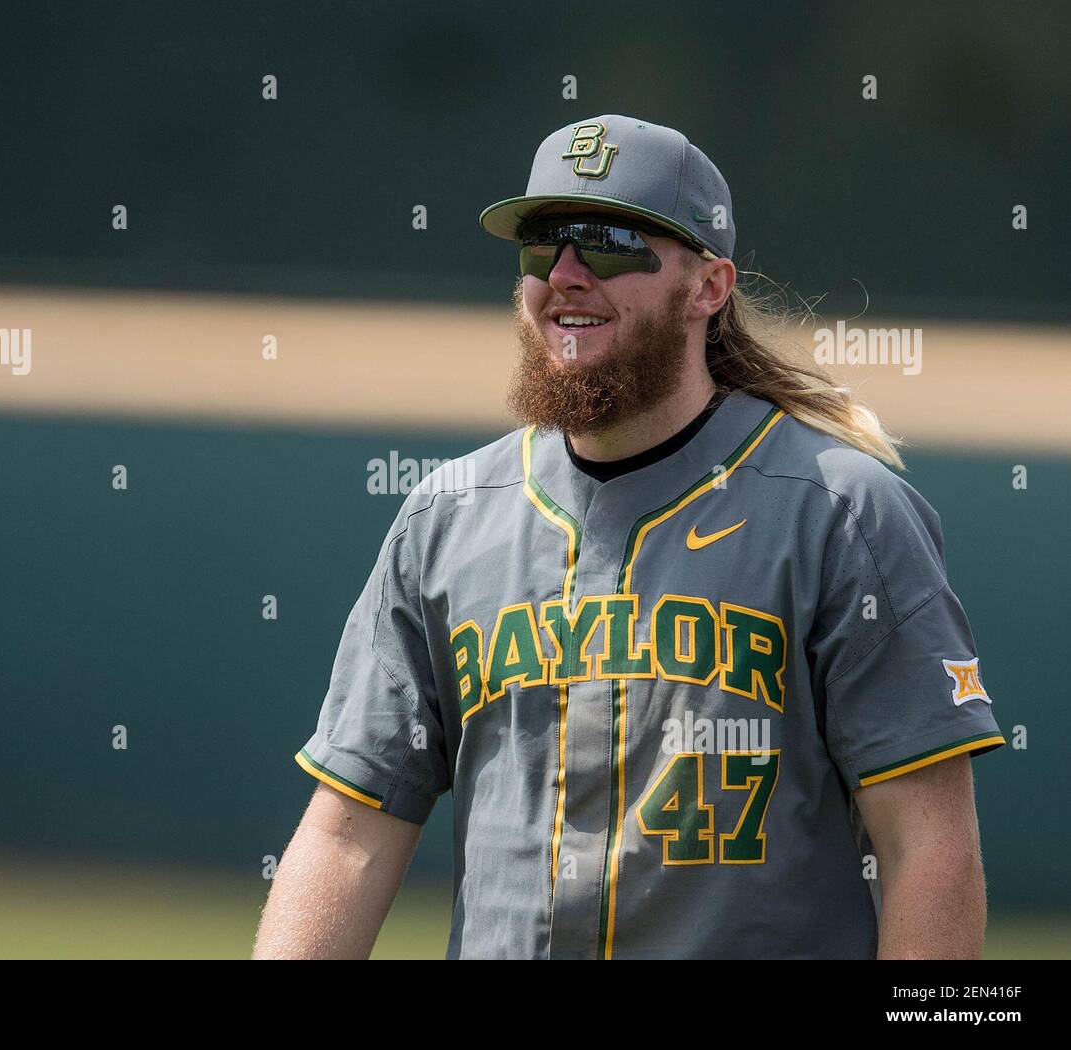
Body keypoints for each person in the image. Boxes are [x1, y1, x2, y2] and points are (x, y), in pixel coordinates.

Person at [253, 115, 1005, 959]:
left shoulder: (841, 513)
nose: (565, 275)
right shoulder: (447, 517)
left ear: (708, 286)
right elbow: (350, 831)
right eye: (542, 245)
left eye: (608, 242)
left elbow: (929, 845)